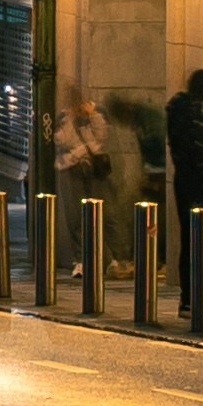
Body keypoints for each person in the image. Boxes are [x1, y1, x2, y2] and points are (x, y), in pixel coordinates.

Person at [165, 66, 203, 290]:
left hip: (182, 180)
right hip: (197, 185)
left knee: (188, 239)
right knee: (198, 241)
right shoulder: (196, 118)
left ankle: (189, 298)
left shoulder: (176, 112)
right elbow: (200, 157)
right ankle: (196, 297)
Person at [51, 83, 115, 281]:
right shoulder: (63, 117)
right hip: (70, 169)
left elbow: (102, 137)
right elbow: (62, 141)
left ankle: (107, 258)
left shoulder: (96, 112)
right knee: (75, 216)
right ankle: (80, 260)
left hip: (93, 170)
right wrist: (70, 119)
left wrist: (92, 115)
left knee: (100, 214)